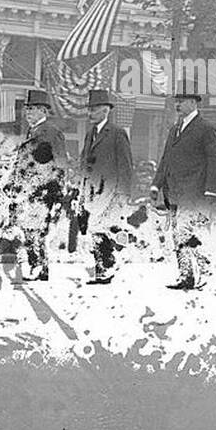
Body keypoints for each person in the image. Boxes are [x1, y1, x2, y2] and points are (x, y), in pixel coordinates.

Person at [151, 84, 216, 290]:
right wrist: (157, 184)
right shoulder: (175, 129)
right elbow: (166, 159)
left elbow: (214, 160)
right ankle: (186, 275)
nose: (177, 104)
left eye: (181, 101)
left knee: (184, 231)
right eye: (176, 101)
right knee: (178, 234)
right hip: (174, 191)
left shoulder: (206, 129)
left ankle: (202, 266)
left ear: (193, 102)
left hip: (194, 190)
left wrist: (211, 190)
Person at [8, 89, 68, 281]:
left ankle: (37, 266)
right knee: (31, 228)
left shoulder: (50, 131)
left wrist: (58, 188)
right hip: (31, 188)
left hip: (42, 189)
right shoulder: (34, 131)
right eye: (27, 109)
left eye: (33, 109)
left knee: (34, 229)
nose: (28, 113)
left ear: (44, 111)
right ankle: (41, 268)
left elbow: (59, 160)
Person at [78, 89, 134, 284]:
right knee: (95, 230)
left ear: (105, 110)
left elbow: (126, 165)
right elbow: (84, 162)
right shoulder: (90, 133)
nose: (90, 113)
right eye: (89, 109)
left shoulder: (117, 133)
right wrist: (82, 189)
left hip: (111, 191)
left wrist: (123, 194)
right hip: (92, 191)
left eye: (94, 110)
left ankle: (108, 266)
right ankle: (103, 268)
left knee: (103, 229)